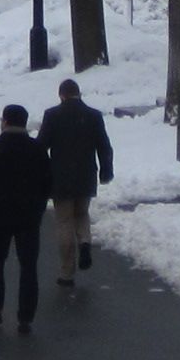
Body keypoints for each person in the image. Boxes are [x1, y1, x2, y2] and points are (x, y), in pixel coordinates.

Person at [0, 103, 55, 330]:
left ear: (6, 121)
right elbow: (48, 183)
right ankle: (26, 315)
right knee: (29, 266)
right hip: (29, 216)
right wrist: (38, 205)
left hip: (0, 214)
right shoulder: (37, 149)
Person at [37, 77, 116, 288]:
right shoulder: (93, 116)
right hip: (86, 174)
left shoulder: (52, 115)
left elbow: (41, 145)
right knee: (81, 214)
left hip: (61, 177)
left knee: (64, 221)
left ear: (61, 95)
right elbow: (104, 146)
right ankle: (85, 242)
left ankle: (66, 273)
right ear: (78, 93)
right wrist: (106, 172)